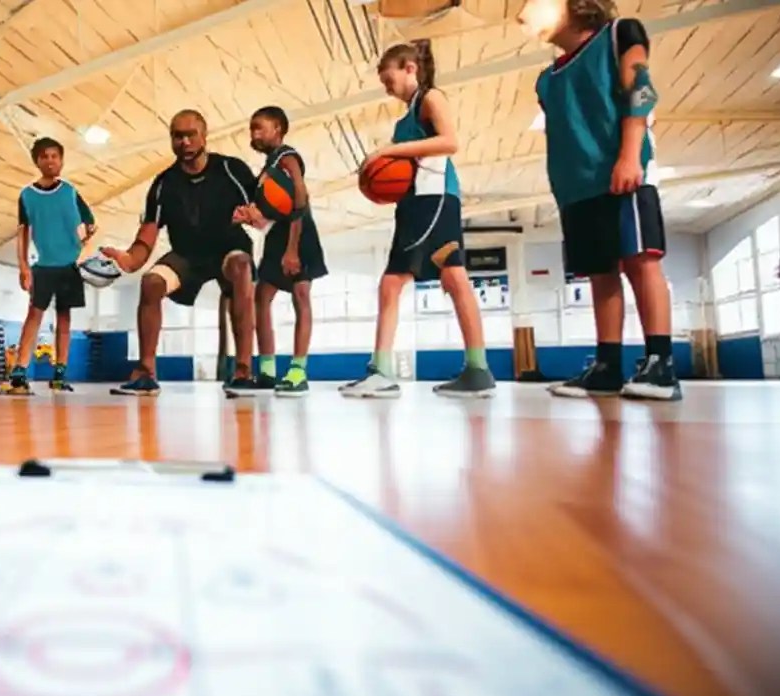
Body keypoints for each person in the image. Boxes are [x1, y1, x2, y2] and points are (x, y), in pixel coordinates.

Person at [521, 0, 680, 400]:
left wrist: (630, 155)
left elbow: (641, 91)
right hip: (575, 188)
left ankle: (660, 363)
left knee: (640, 262)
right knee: (599, 272)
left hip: (622, 170)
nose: (524, 14)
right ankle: (608, 365)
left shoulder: (619, 34)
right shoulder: (546, 79)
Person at [340, 41, 497, 399]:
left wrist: (386, 151)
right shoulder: (404, 118)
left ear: (409, 67)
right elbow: (403, 171)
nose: (386, 87)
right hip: (416, 202)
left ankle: (391, 370)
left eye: (388, 77)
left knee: (435, 278)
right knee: (413, 282)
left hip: (436, 198)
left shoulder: (431, 98)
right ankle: (473, 369)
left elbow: (449, 141)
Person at [101, 109, 260, 397]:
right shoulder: (163, 184)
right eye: (178, 136)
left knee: (241, 268)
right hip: (187, 255)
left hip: (229, 249)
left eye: (191, 134)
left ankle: (243, 372)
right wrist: (129, 259)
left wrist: (258, 216)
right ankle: (146, 374)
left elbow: (263, 213)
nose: (184, 141)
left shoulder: (231, 169)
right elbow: (146, 237)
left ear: (204, 135)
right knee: (151, 283)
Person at [235, 105, 328, 396]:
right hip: (277, 236)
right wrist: (252, 218)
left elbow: (300, 201)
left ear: (278, 128)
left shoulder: (288, 157)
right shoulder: (267, 169)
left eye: (259, 127)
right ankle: (267, 370)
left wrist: (292, 250)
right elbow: (272, 216)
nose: (254, 133)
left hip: (299, 236)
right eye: (252, 128)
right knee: (261, 297)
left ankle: (298, 371)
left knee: (301, 295)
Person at [3, 137, 97, 396]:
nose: (50, 160)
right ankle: (19, 371)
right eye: (44, 156)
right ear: (37, 161)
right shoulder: (26, 196)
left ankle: (59, 374)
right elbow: (22, 232)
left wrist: (86, 239)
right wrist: (23, 266)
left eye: (55, 155)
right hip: (43, 265)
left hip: (70, 265)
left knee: (64, 318)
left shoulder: (70, 191)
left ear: (62, 160)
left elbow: (90, 224)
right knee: (34, 315)